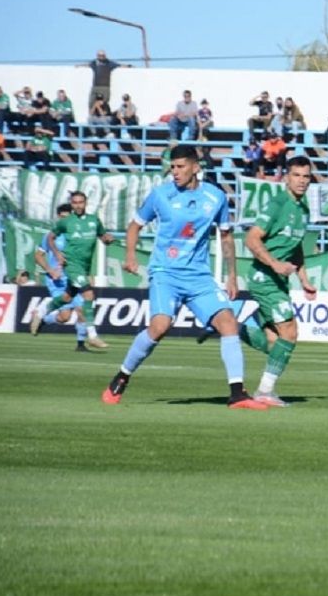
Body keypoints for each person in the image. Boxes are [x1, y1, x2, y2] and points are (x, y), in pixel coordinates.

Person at [101, 145, 264, 409]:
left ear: (195, 167)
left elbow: (225, 235)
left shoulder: (216, 197)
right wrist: (130, 255)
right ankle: (122, 376)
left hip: (199, 276)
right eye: (172, 167)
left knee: (228, 323)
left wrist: (232, 275)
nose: (174, 172)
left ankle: (237, 394)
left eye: (180, 167)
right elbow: (134, 225)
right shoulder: (160, 195)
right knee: (160, 327)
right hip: (165, 273)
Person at [239, 156, 317, 407]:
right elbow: (252, 239)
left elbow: (295, 249)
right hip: (264, 278)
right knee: (290, 333)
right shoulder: (277, 204)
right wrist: (274, 264)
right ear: (286, 177)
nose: (302, 181)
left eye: (306, 176)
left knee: (275, 343)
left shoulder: (303, 209)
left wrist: (303, 279)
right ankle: (264, 391)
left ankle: (235, 327)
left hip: (279, 280)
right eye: (296, 175)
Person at [42, 191, 115, 343]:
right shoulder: (65, 223)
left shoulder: (93, 220)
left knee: (68, 303)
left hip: (83, 268)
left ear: (85, 203)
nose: (78, 205)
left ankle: (41, 313)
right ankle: (92, 336)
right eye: (75, 203)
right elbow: (45, 244)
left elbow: (103, 237)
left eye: (80, 202)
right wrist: (55, 257)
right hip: (68, 268)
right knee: (88, 296)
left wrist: (108, 239)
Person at [29, 202, 103, 350]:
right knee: (64, 317)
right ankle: (44, 316)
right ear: (58, 217)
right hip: (56, 280)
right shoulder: (50, 236)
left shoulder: (78, 235)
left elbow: (84, 258)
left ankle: (81, 344)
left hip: (74, 277)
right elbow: (38, 256)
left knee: (81, 308)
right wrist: (50, 270)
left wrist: (89, 275)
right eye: (62, 217)